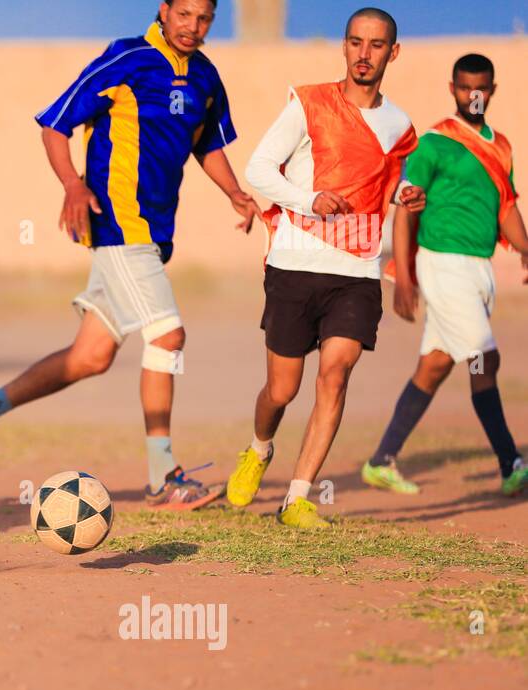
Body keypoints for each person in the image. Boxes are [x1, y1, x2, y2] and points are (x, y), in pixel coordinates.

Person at [0, 0, 261, 511]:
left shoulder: (205, 76)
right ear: (165, 9)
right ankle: (164, 476)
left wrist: (235, 193)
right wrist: (72, 184)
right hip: (116, 222)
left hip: (154, 233)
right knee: (168, 334)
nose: (193, 27)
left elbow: (208, 146)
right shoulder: (126, 59)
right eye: (185, 15)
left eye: (204, 18)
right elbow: (55, 124)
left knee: (89, 358)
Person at [226, 8, 426, 528]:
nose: (365, 53)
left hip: (358, 270)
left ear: (392, 53)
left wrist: (409, 203)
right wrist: (309, 199)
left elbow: (392, 191)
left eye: (377, 45)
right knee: (282, 391)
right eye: (356, 42)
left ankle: (296, 499)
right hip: (295, 262)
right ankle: (259, 446)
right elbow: (258, 169)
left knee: (335, 375)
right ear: (344, 46)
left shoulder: (401, 127)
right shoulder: (309, 102)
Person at [362, 53, 528, 497]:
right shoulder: (432, 143)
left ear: (492, 90)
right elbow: (405, 207)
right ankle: (511, 462)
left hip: (478, 269)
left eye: (481, 87)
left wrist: (527, 250)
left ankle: (381, 461)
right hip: (442, 264)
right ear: (452, 88)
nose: (473, 95)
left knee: (435, 365)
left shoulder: (502, 146)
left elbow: (507, 207)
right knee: (483, 359)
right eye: (464, 87)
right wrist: (406, 277)